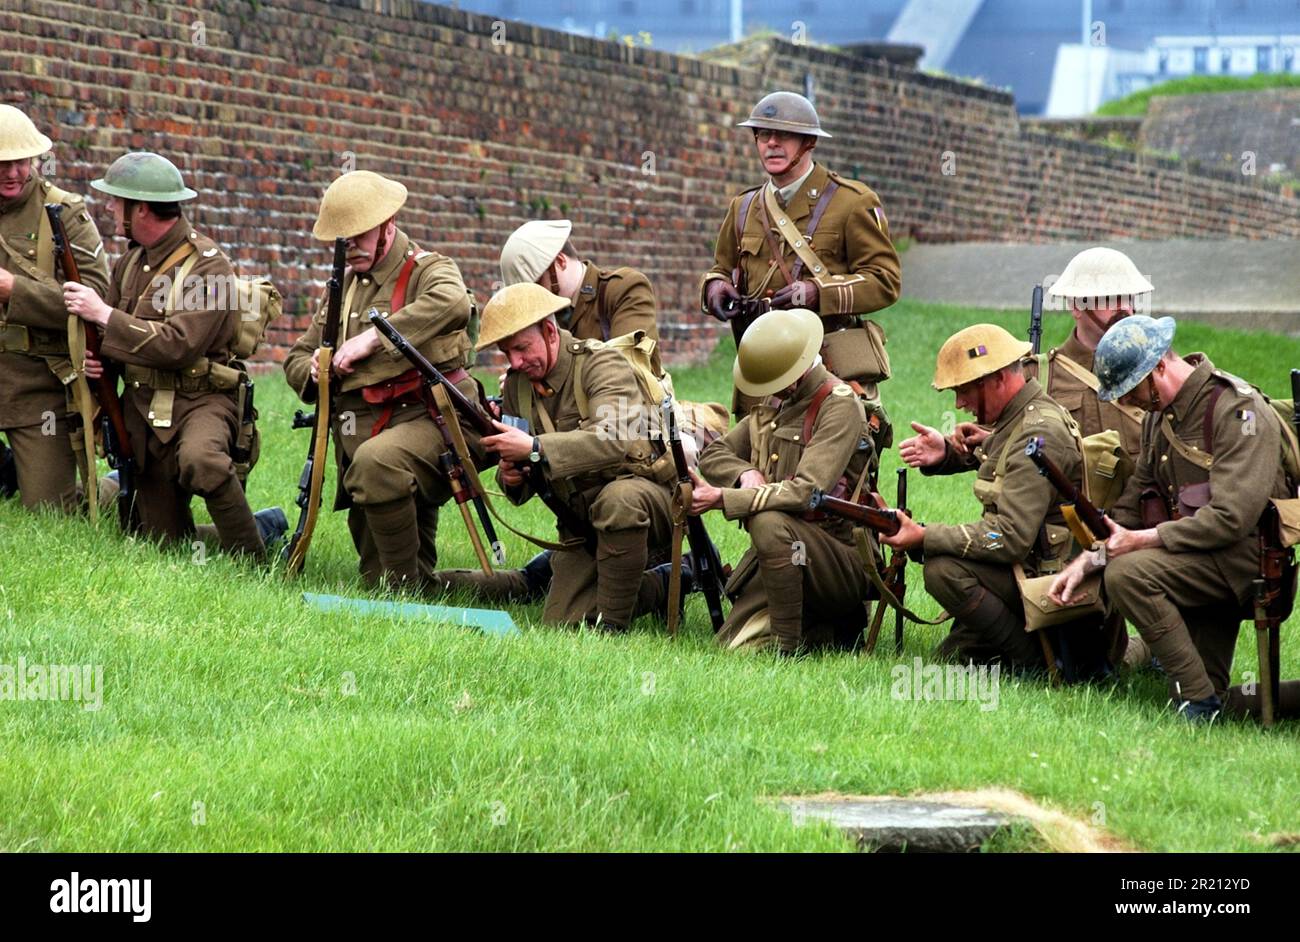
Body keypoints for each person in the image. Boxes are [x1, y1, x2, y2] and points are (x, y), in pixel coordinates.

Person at [1049, 315, 1300, 721]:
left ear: (1159, 368)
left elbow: (1231, 519)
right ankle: (1207, 701)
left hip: (1242, 560)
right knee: (1224, 702)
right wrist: (1089, 558)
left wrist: (1141, 542)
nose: (1126, 403)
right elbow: (1133, 505)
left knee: (1128, 573)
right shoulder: (1158, 416)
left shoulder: (1238, 409)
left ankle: (1197, 704)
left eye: (1130, 392)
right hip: (1194, 556)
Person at [439, 283, 676, 631]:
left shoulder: (602, 364)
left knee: (619, 501)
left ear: (550, 332)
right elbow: (518, 490)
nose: (515, 362)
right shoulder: (518, 387)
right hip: (580, 523)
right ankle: (665, 582)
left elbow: (614, 440)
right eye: (508, 354)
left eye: (521, 348)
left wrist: (535, 449)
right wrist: (512, 475)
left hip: (645, 498)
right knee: (562, 625)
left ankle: (622, 620)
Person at [282, 170, 479, 587]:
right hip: (364, 433)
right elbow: (297, 356)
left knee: (377, 467)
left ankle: (404, 593)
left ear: (387, 225)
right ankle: (431, 589)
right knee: (378, 573)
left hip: (432, 420)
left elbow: (453, 302)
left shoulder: (429, 270)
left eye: (356, 236)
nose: (348, 247)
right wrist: (315, 369)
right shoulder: (343, 288)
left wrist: (374, 338)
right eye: (341, 239)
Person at [62, 152, 264, 557]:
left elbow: (178, 344)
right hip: (143, 405)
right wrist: (102, 362)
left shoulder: (211, 266)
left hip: (201, 399)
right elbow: (112, 337)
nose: (109, 208)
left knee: (202, 461)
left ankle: (252, 555)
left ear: (140, 209)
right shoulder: (132, 262)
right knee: (162, 544)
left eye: (115, 202)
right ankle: (265, 525)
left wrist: (102, 312)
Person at [885, 324, 1112, 673]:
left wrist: (925, 536)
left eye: (963, 391)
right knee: (954, 659)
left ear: (996, 380)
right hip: (1033, 563)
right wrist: (947, 453)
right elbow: (1003, 462)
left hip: (1048, 575)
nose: (959, 404)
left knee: (943, 571)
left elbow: (1008, 538)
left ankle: (1033, 661)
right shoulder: (1021, 417)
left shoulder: (1037, 431)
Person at [700, 90, 900, 448]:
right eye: (763, 134)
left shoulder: (852, 202)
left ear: (809, 142)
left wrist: (818, 293)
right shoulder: (743, 207)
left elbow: (885, 281)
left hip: (827, 369)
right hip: (763, 370)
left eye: (784, 135)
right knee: (759, 473)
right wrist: (715, 289)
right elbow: (722, 268)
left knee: (829, 482)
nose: (772, 144)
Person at [693, 308, 874, 653]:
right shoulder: (776, 404)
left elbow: (808, 492)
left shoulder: (839, 405)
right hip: (787, 555)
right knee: (731, 647)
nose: (770, 392)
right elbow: (714, 454)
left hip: (837, 557)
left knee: (769, 522)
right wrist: (745, 473)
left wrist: (724, 499)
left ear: (795, 371)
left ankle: (786, 645)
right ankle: (822, 631)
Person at [0, 104, 110, 512]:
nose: (13, 172)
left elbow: (97, 296)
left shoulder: (63, 212)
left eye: (21, 162)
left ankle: (112, 490)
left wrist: (16, 291)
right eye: (3, 164)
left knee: (51, 511)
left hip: (36, 386)